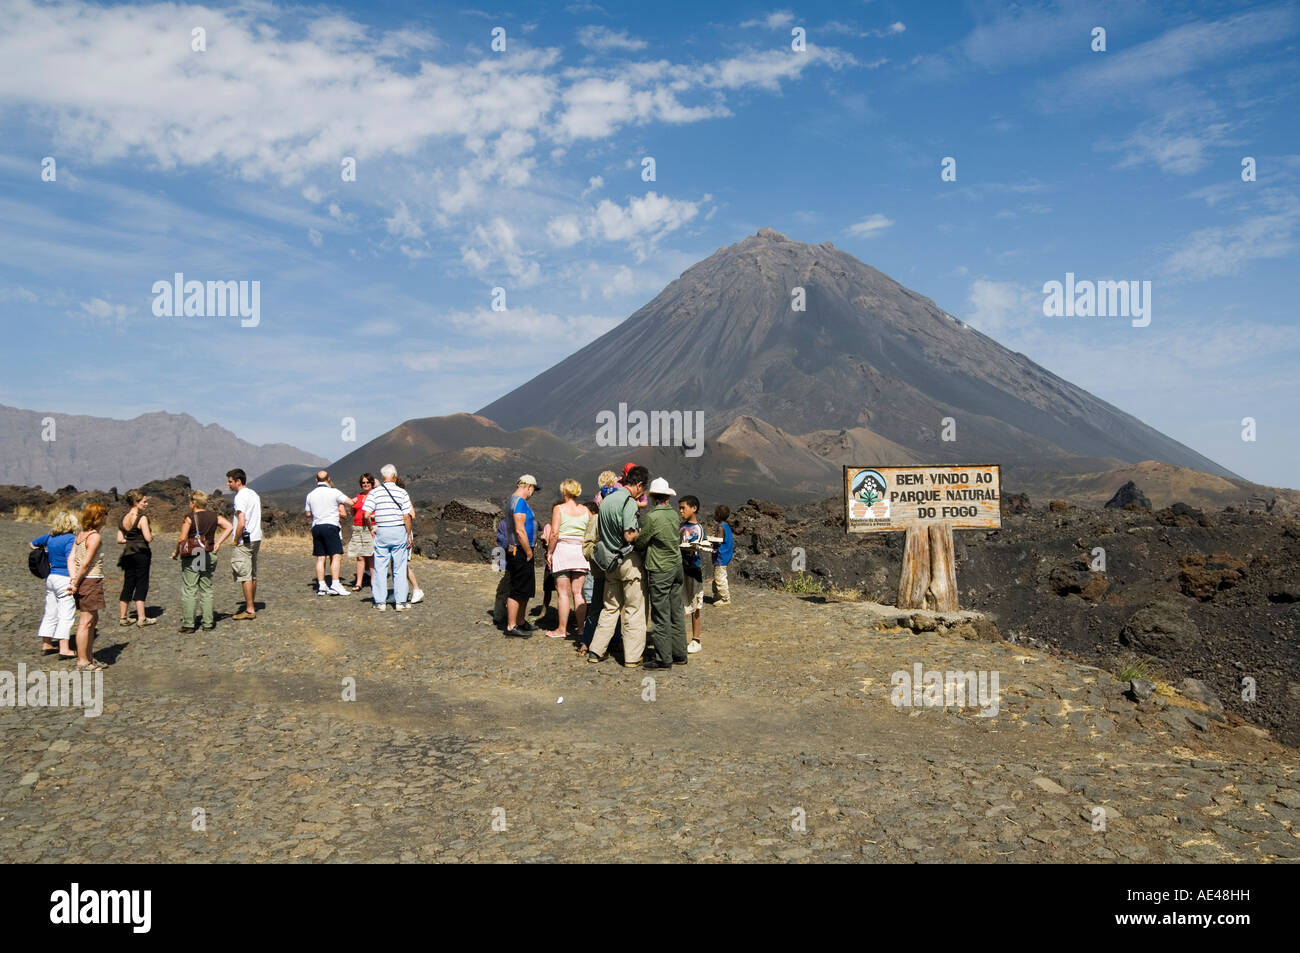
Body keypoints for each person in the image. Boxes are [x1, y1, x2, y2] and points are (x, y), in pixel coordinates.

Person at [586, 465, 648, 666]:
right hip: (628, 561)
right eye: (643, 488)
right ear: (639, 484)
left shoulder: (606, 501)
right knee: (633, 609)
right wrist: (645, 535)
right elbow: (629, 535)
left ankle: (596, 651)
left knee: (610, 608)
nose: (643, 493)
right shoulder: (628, 502)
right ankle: (632, 657)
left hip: (609, 562)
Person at [636, 477, 687, 669]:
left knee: (660, 614)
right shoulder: (674, 515)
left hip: (660, 569)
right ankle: (679, 652)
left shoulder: (653, 517)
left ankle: (663, 657)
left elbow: (641, 542)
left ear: (653, 497)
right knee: (676, 611)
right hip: (676, 566)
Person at [172, 491, 231, 633]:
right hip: (208, 554)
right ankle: (208, 623)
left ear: (193, 503)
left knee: (190, 589)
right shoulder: (214, 516)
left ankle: (189, 624)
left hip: (193, 556)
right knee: (206, 588)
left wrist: (176, 552)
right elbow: (229, 526)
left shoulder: (190, 518)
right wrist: (218, 543)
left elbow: (182, 539)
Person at [362, 464, 414, 611]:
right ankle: (400, 602)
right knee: (399, 567)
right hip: (398, 531)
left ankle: (380, 602)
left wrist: (371, 528)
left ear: (383, 476)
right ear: (395, 476)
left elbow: (366, 514)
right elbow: (406, 516)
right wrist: (408, 534)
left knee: (380, 567)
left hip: (382, 531)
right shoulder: (402, 493)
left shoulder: (374, 493)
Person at [544, 480, 589, 639]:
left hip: (563, 552)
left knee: (563, 593)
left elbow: (555, 533)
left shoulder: (559, 509)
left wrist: (549, 552)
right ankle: (581, 628)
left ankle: (562, 629)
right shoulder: (585, 510)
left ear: (565, 492)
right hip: (580, 554)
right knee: (578, 593)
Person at [32, 510, 79, 658]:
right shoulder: (71, 539)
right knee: (66, 613)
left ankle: (47, 643)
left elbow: (32, 544)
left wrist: (45, 555)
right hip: (64, 578)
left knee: (50, 611)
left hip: (51, 578)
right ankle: (64, 648)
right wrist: (74, 579)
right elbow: (70, 559)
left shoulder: (50, 537)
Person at [67, 503, 108, 670]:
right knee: (86, 622)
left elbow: (71, 559)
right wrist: (75, 582)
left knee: (92, 620)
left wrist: (73, 579)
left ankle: (88, 657)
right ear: (98, 517)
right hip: (90, 580)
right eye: (104, 514)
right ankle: (83, 661)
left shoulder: (80, 535)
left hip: (83, 580)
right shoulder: (94, 536)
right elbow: (85, 563)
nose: (106, 517)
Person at [502, 475, 540, 637]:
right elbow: (520, 529)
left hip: (519, 548)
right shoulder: (519, 502)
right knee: (518, 589)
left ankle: (520, 621)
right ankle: (512, 626)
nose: (532, 493)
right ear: (528, 486)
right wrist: (529, 551)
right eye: (533, 490)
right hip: (520, 550)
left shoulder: (514, 500)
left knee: (525, 588)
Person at [305, 470, 352, 596]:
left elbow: (308, 514)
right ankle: (335, 584)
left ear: (316, 480)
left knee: (320, 557)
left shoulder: (310, 495)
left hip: (316, 527)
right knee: (336, 555)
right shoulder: (334, 492)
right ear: (329, 479)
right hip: (331, 526)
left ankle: (321, 586)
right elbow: (350, 502)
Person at [115, 490, 156, 627]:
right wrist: (151, 534)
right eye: (144, 501)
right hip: (141, 554)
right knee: (141, 583)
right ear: (135, 502)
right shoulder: (142, 518)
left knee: (128, 583)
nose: (146, 504)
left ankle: (123, 617)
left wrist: (130, 540)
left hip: (127, 554)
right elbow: (148, 538)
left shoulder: (123, 518)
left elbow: (120, 539)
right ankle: (142, 618)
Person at [226, 469, 262, 619]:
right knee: (252, 573)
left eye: (230, 481)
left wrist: (235, 540)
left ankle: (249, 609)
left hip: (244, 540)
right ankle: (251, 604)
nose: (228, 484)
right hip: (256, 538)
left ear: (238, 481)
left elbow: (241, 522)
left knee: (244, 574)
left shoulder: (240, 497)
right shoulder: (254, 494)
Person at [679, 495, 705, 654]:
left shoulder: (698, 529)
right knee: (681, 602)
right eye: (680, 508)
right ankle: (680, 636)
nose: (681, 511)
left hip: (693, 569)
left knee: (695, 604)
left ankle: (696, 639)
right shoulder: (681, 527)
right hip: (681, 568)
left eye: (684, 508)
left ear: (694, 508)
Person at [394, 475, 424, 605]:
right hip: (395, 532)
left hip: (403, 532)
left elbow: (412, 514)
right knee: (394, 564)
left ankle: (416, 589)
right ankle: (399, 593)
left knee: (402, 564)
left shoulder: (403, 498)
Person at [347, 473, 376, 591]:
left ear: (372, 483)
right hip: (358, 528)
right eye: (363, 483)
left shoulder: (375, 496)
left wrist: (371, 517)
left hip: (370, 528)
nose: (365, 484)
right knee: (360, 556)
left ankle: (374, 582)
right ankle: (358, 583)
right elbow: (353, 510)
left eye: (367, 482)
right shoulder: (358, 496)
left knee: (371, 556)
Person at [711, 504, 734, 607]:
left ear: (718, 515)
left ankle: (725, 598)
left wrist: (711, 540)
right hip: (725, 555)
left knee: (720, 577)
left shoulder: (720, 527)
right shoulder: (727, 526)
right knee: (718, 576)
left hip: (721, 556)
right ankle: (718, 595)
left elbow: (719, 541)